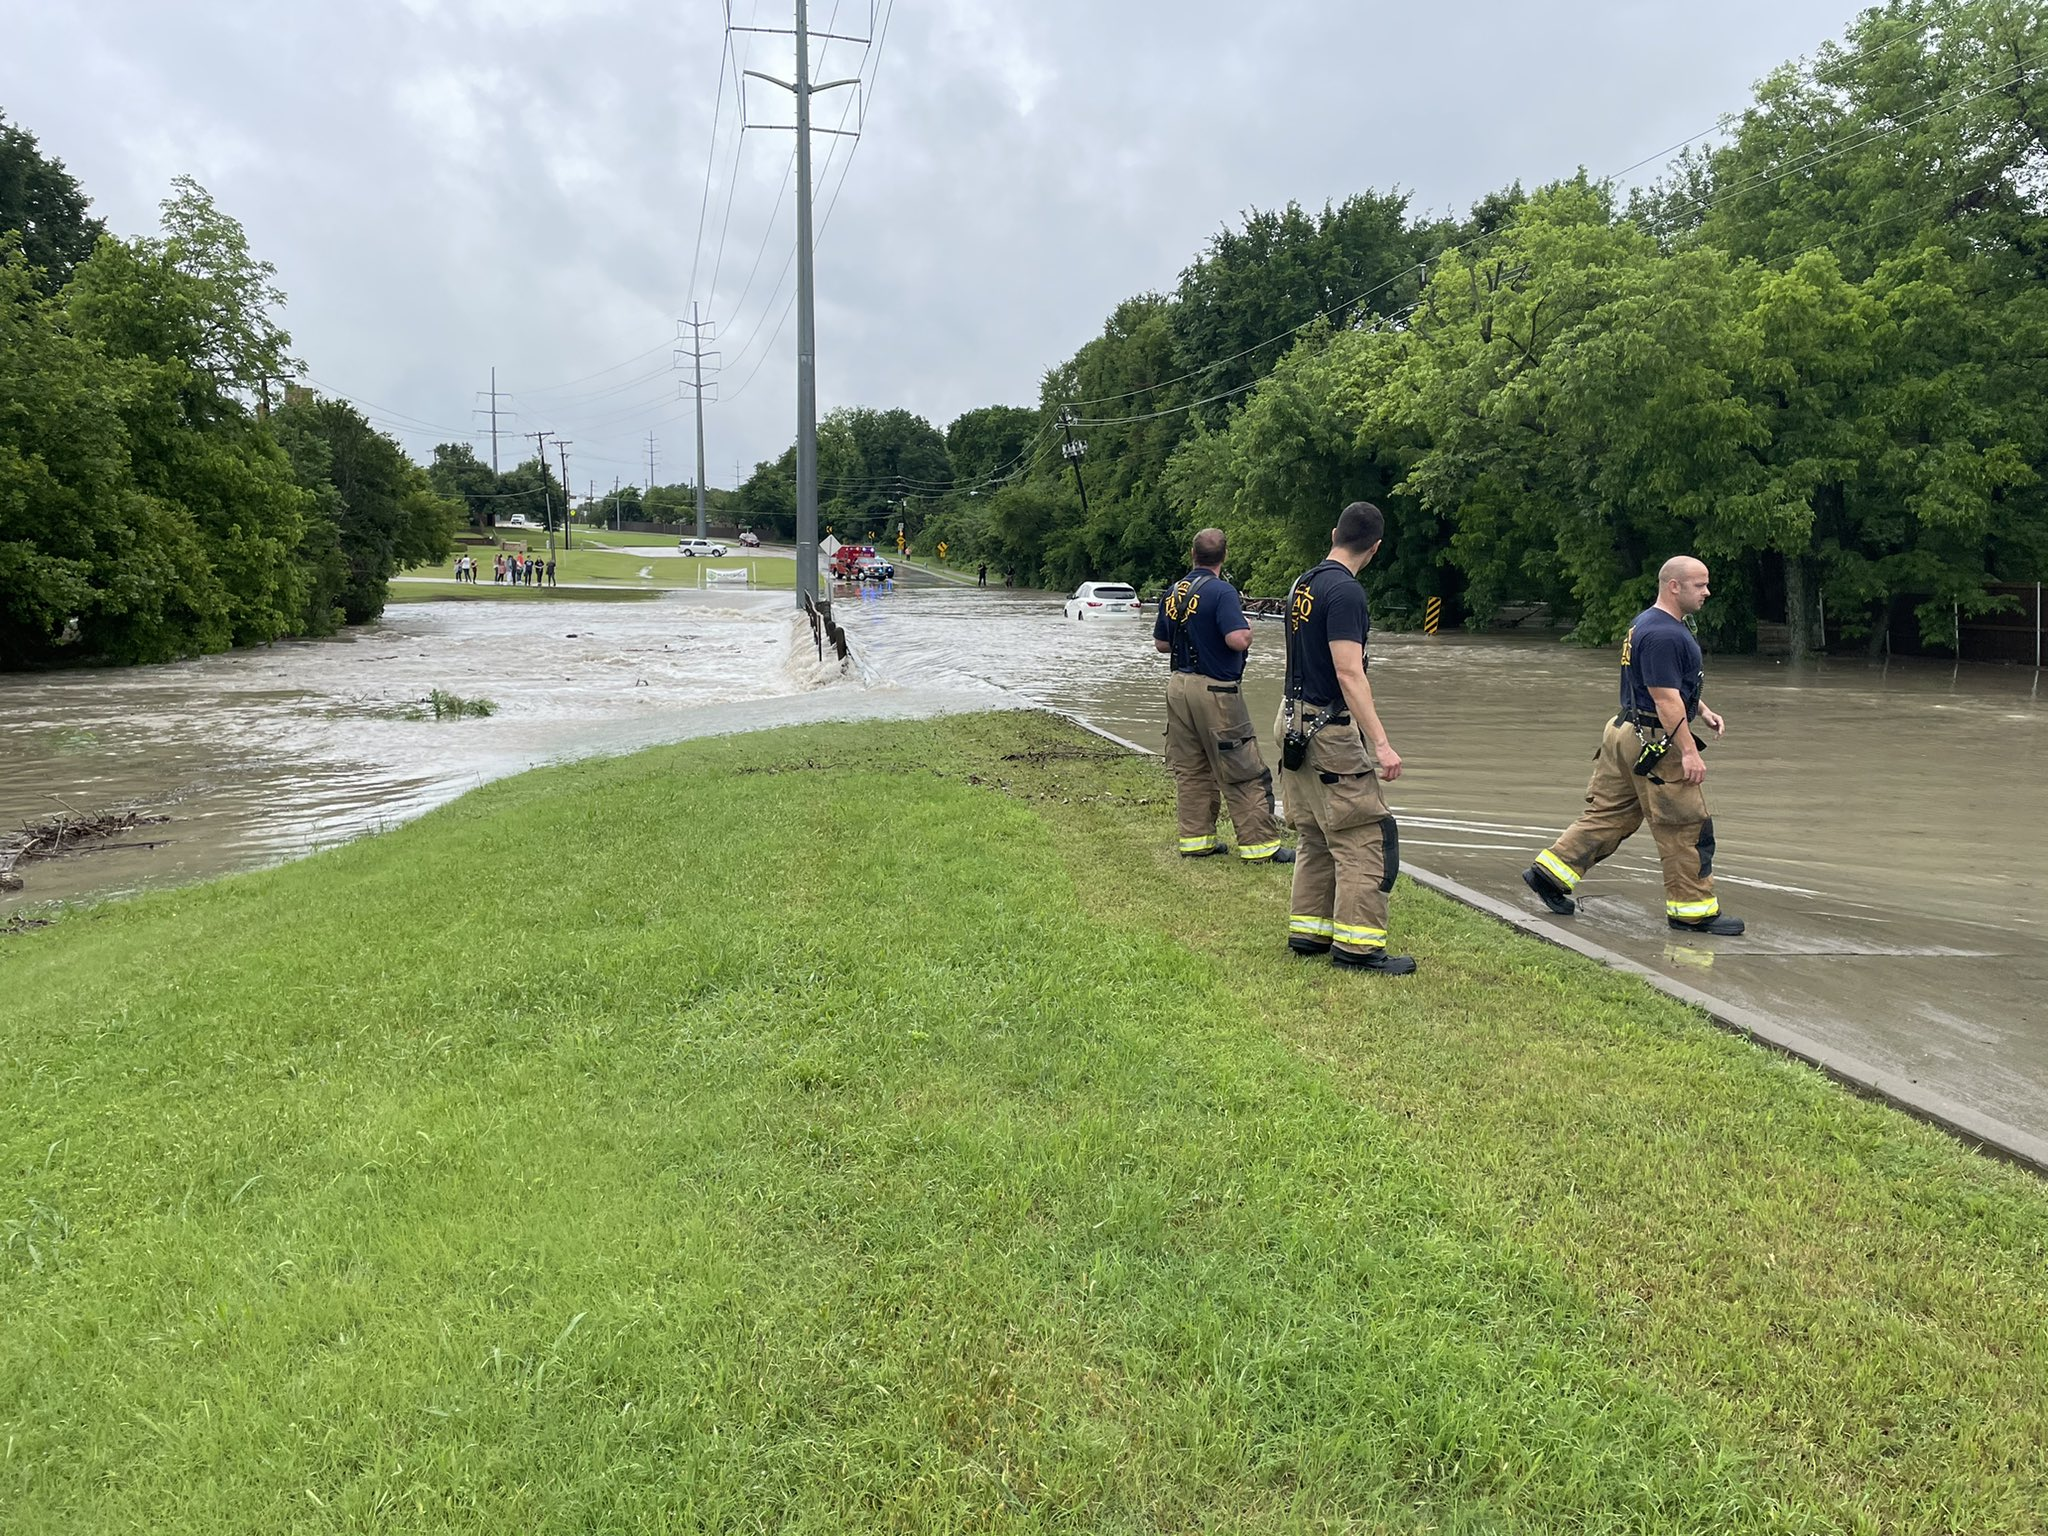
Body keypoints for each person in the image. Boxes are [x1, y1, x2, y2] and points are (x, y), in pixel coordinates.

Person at [1522, 555, 1744, 935]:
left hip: (1624, 731)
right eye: (1699, 585)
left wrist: (1703, 709)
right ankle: (1692, 912)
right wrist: (1689, 752)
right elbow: (1665, 698)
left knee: (1610, 814)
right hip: (1655, 740)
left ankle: (1549, 875)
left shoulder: (1647, 623)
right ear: (1674, 586)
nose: (1707, 592)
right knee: (1684, 826)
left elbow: (1664, 683)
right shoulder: (1666, 635)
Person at [1275, 500, 1415, 975]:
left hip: (1292, 720)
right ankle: (1358, 948)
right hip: (1326, 729)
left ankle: (1309, 932)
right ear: (1375, 549)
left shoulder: (1304, 583)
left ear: (1335, 533)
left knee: (1316, 832)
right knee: (1362, 834)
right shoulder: (1347, 593)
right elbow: (1348, 672)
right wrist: (1382, 744)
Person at [1155, 527, 1293, 865]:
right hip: (1216, 691)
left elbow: (1161, 644)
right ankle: (1260, 846)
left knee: (1191, 767)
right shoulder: (1223, 592)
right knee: (1241, 765)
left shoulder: (1174, 591)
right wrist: (1248, 630)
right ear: (1224, 556)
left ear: (1193, 555)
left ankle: (1195, 841)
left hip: (1178, 687)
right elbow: (1237, 639)